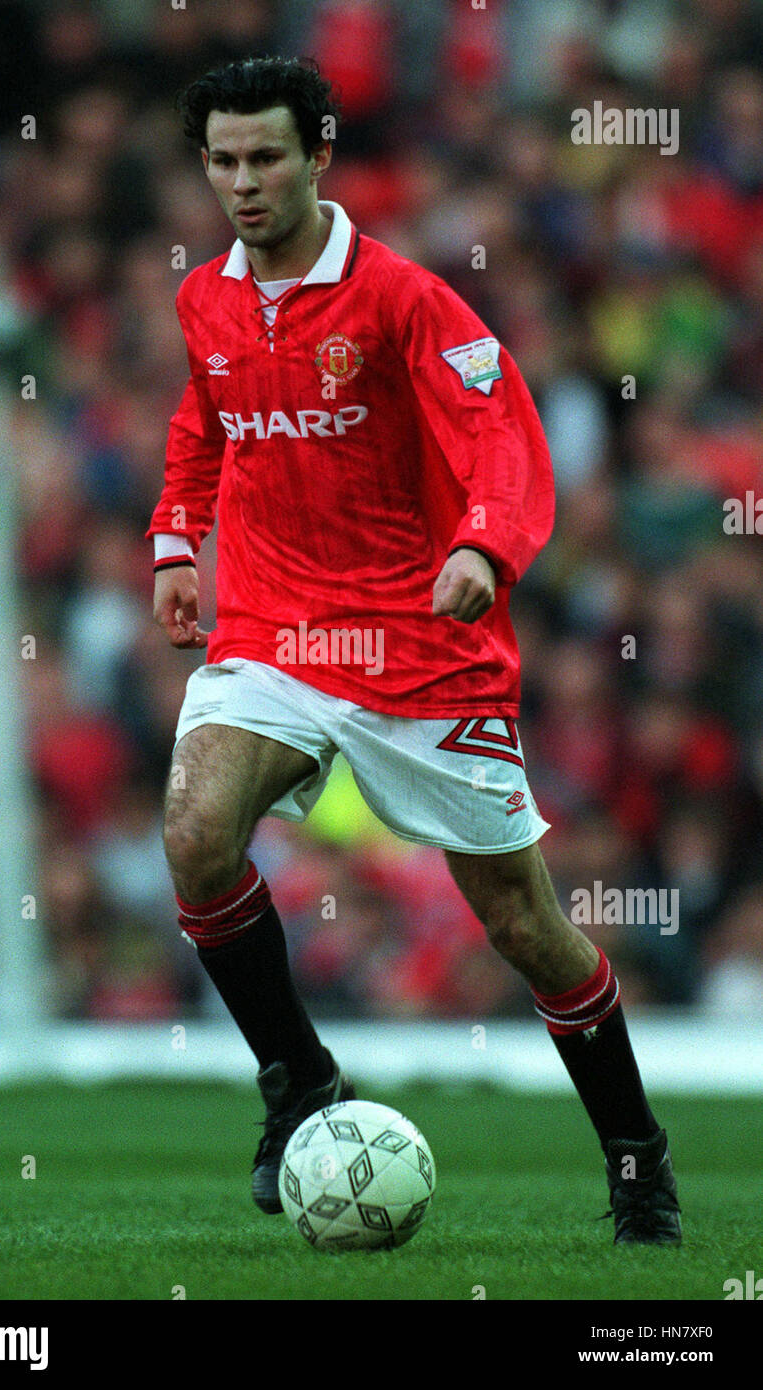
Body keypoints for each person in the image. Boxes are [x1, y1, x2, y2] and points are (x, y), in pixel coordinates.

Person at [148, 56, 680, 1245]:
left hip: (418, 647)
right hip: (275, 628)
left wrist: (486, 549)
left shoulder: (402, 298)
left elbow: (497, 428)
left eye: (265, 157)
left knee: (521, 923)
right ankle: (297, 1077)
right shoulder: (208, 302)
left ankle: (636, 1155)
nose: (241, 183)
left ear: (319, 152)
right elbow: (202, 430)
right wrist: (176, 543)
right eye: (222, 160)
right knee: (193, 830)